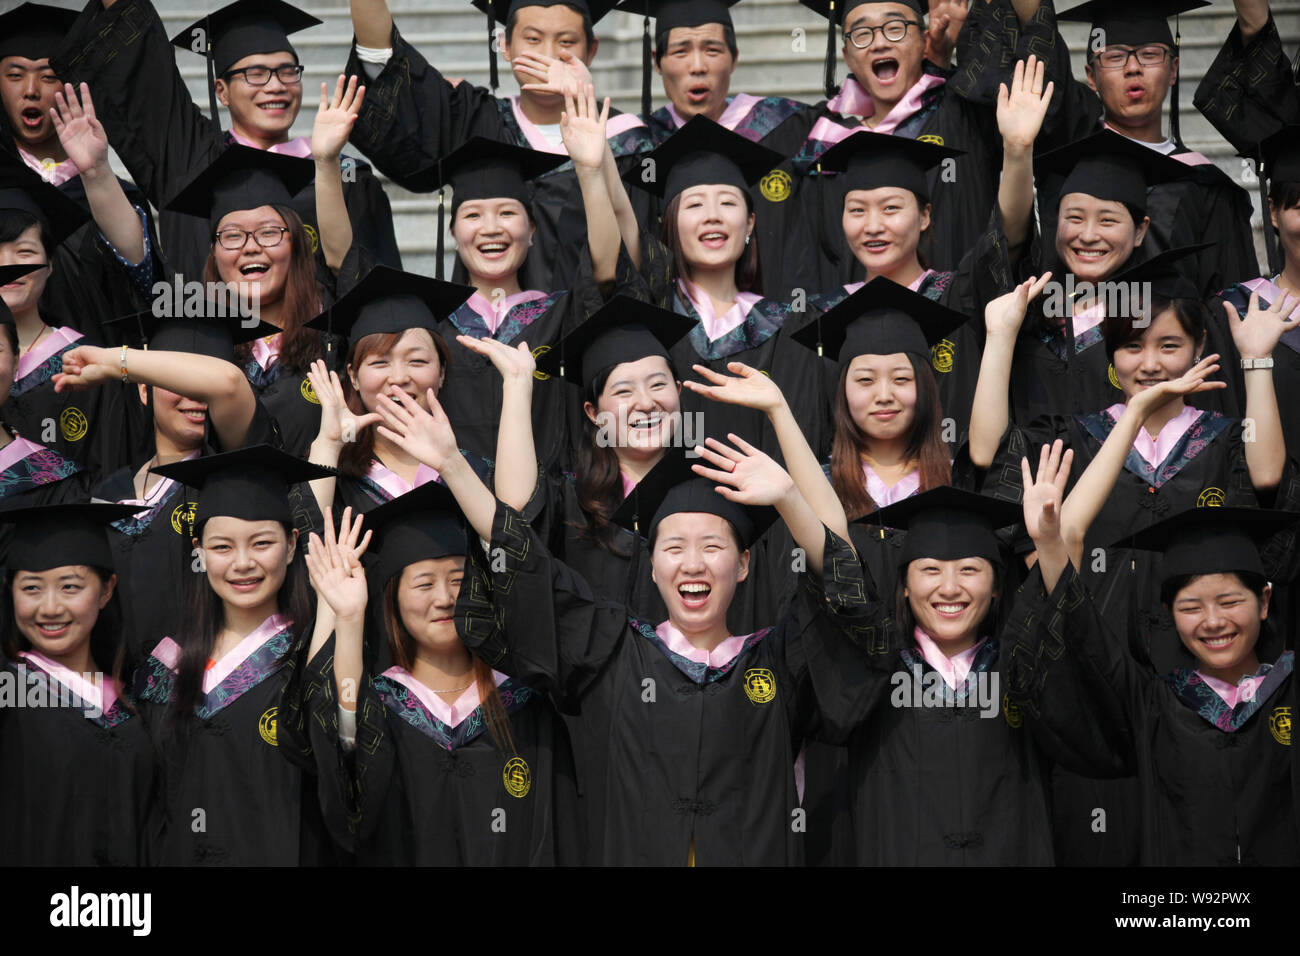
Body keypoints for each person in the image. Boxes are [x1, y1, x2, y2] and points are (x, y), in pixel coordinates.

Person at [1012, 449, 1300, 865]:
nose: (1213, 621)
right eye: (1191, 608)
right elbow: (1087, 641)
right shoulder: (1154, 707)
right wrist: (1052, 545)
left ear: (1265, 601)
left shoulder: (1290, 690)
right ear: (1169, 615)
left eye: (1230, 601)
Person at [279, 490, 581, 864]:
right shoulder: (382, 707)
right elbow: (346, 787)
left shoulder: (525, 706)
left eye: (458, 580)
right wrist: (349, 618)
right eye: (424, 584)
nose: (444, 598)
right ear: (393, 600)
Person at [52, 0, 401, 278]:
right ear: (221, 91)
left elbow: (371, 282)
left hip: (308, 360)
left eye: (287, 72)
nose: (276, 85)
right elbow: (143, 71)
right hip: (205, 352)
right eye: (256, 74)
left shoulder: (345, 176)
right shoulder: (190, 158)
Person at [808, 483, 1058, 864]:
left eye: (970, 570)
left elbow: (1063, 608)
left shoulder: (1021, 674)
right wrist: (790, 495)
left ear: (995, 588)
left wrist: (1054, 542)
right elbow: (834, 560)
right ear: (905, 587)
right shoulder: (879, 673)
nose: (950, 588)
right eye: (930, 570)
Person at [343, 0, 651, 291]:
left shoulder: (626, 141)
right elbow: (381, 59)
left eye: (566, 42)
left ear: (592, 50)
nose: (548, 55)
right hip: (488, 331)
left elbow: (639, 259)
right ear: (504, 45)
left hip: (587, 329)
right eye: (532, 39)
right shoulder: (473, 120)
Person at [133, 444, 337, 865]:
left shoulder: (309, 657)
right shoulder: (162, 668)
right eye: (222, 547)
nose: (242, 563)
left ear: (292, 543)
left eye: (262, 543)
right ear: (199, 551)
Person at [51, 312, 283, 658]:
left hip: (207, 686)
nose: (195, 395)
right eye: (178, 382)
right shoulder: (109, 494)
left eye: (200, 380)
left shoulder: (236, 468)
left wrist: (115, 361)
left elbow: (228, 384)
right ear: (144, 389)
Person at [1029, 0, 1259, 296]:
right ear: (1090, 76)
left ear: (1174, 69)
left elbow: (1232, 299)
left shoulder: (1208, 186)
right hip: (1074, 337)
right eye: (1114, 56)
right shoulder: (1070, 154)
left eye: (1150, 55)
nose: (1133, 68)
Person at [797, 0, 1039, 277]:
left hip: (960, 310)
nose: (879, 43)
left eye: (895, 28)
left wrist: (942, 60)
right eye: (862, 34)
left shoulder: (965, 115)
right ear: (847, 54)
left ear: (923, 42)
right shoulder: (818, 137)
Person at [163, 126, 354, 458]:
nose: (251, 248)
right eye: (233, 236)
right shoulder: (199, 340)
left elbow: (344, 260)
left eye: (269, 233)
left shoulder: (331, 326)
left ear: (295, 243)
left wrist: (325, 162)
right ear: (214, 252)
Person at [1, 91, 156, 485]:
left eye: (24, 252)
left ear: (50, 265)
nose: (9, 268)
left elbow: (113, 473)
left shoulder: (84, 367)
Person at [0, 501, 156, 865]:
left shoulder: (135, 702)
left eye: (70, 587)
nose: (50, 607)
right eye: (32, 588)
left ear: (106, 590)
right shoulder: (10, 691)